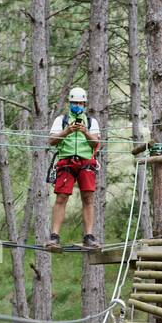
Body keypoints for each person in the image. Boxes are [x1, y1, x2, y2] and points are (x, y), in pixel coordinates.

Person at [48, 86, 101, 250]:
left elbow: (96, 143)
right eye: (74, 103)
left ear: (85, 104)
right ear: (69, 103)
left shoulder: (92, 122)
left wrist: (85, 132)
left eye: (80, 103)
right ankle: (54, 236)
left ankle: (89, 236)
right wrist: (67, 131)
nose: (77, 105)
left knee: (88, 198)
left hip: (86, 162)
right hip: (67, 162)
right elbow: (51, 141)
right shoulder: (61, 120)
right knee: (61, 197)